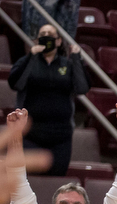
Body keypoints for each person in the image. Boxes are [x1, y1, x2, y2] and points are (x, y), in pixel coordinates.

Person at [7, 24, 89, 176]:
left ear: (58, 41)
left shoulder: (68, 65)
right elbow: (16, 83)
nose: (46, 36)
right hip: (31, 135)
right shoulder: (27, 61)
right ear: (37, 40)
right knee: (29, 181)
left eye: (50, 34)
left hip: (60, 137)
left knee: (56, 182)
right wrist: (31, 56)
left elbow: (82, 88)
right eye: (43, 34)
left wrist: (77, 58)